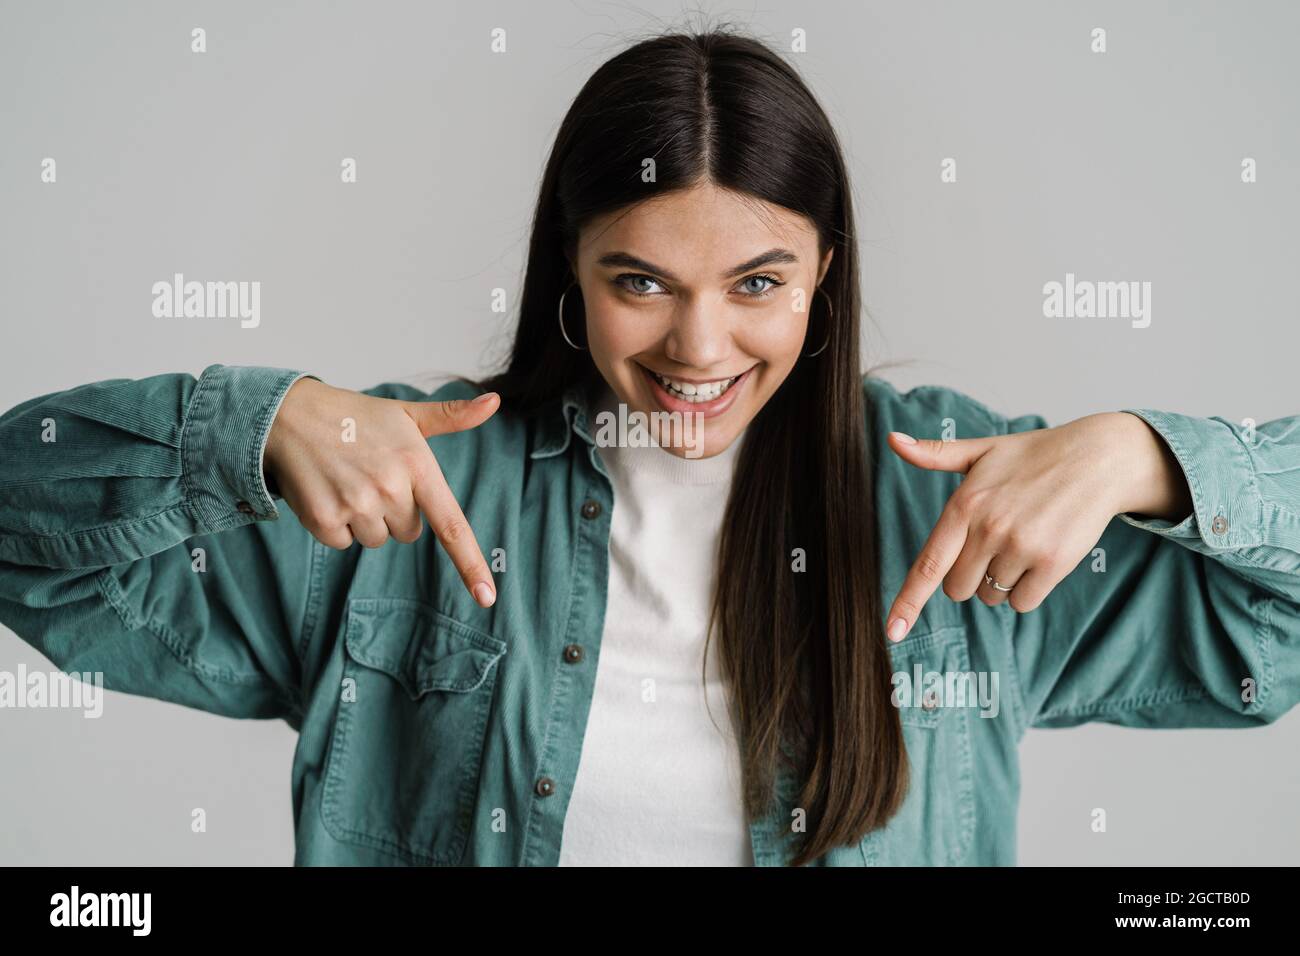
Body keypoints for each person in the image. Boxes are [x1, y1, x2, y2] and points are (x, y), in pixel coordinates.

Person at [2, 30, 1298, 867]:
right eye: (641, 280)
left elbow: (1270, 643)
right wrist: (247, 422)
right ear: (567, 265)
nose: (697, 344)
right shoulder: (402, 479)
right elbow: (20, 538)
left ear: (825, 273)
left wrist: (1154, 458)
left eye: (757, 283)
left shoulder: (964, 492)